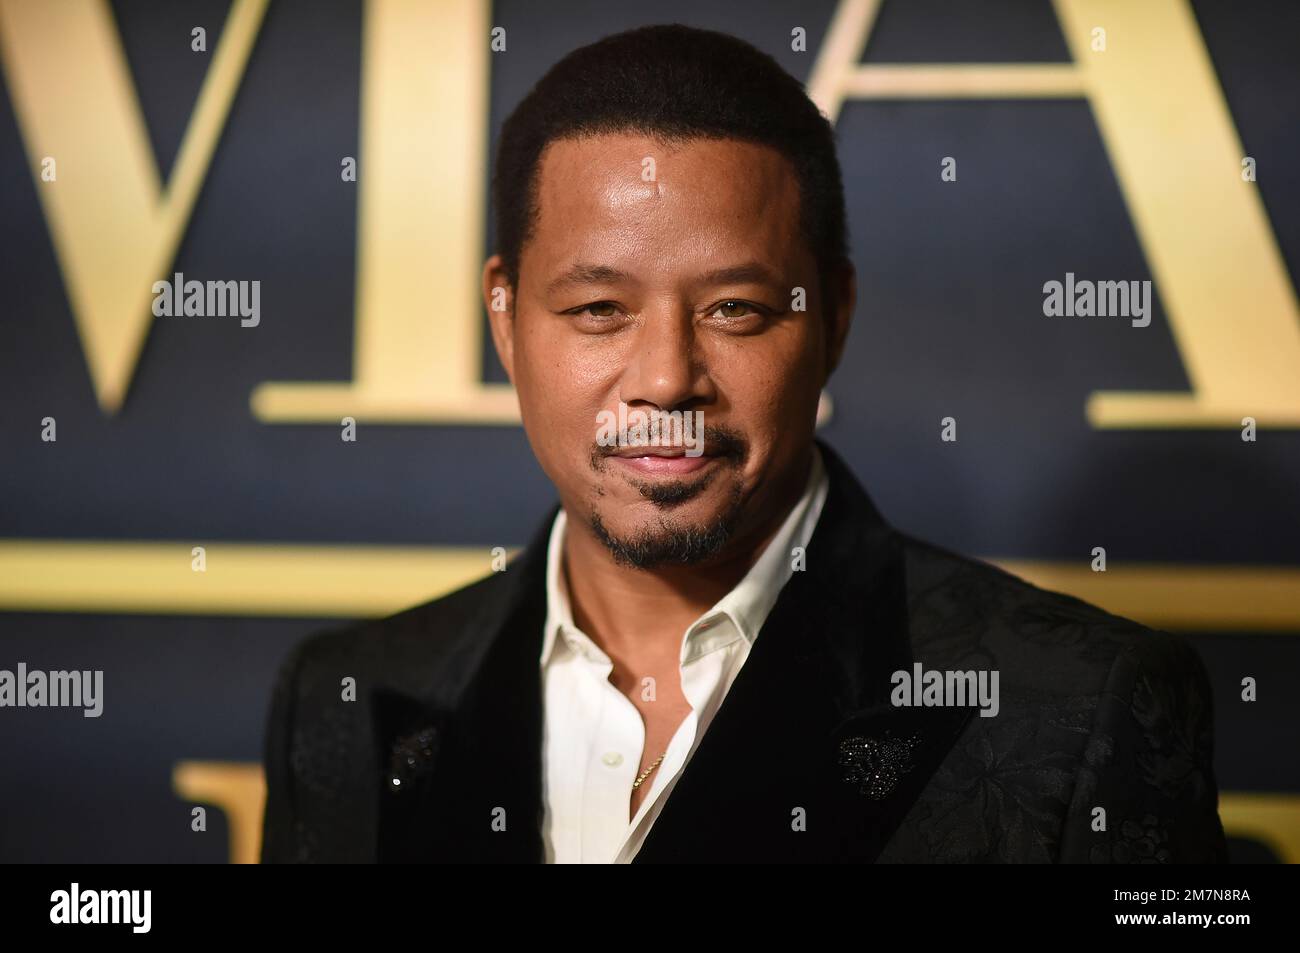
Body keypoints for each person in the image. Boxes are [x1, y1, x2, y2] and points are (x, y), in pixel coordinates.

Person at [260, 23, 1226, 863]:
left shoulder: (1076, 710)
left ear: (832, 318)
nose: (667, 378)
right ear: (506, 320)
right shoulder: (345, 701)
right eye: (599, 308)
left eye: (736, 308)